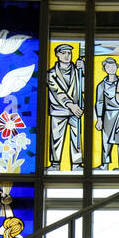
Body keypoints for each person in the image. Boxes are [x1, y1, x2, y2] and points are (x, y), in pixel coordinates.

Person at [46, 42, 84, 170]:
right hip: (59, 110)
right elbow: (57, 92)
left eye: (69, 53)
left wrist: (83, 71)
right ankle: (55, 164)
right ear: (57, 54)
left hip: (76, 110)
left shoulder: (77, 71)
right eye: (63, 53)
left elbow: (84, 87)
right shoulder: (51, 74)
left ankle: (77, 164)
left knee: (77, 137)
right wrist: (71, 105)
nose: (67, 55)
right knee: (56, 138)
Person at [95, 56, 119, 168]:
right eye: (108, 66)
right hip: (108, 115)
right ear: (104, 68)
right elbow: (99, 102)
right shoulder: (101, 85)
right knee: (106, 141)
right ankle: (105, 164)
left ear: (116, 67)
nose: (111, 68)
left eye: (113, 65)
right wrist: (99, 119)